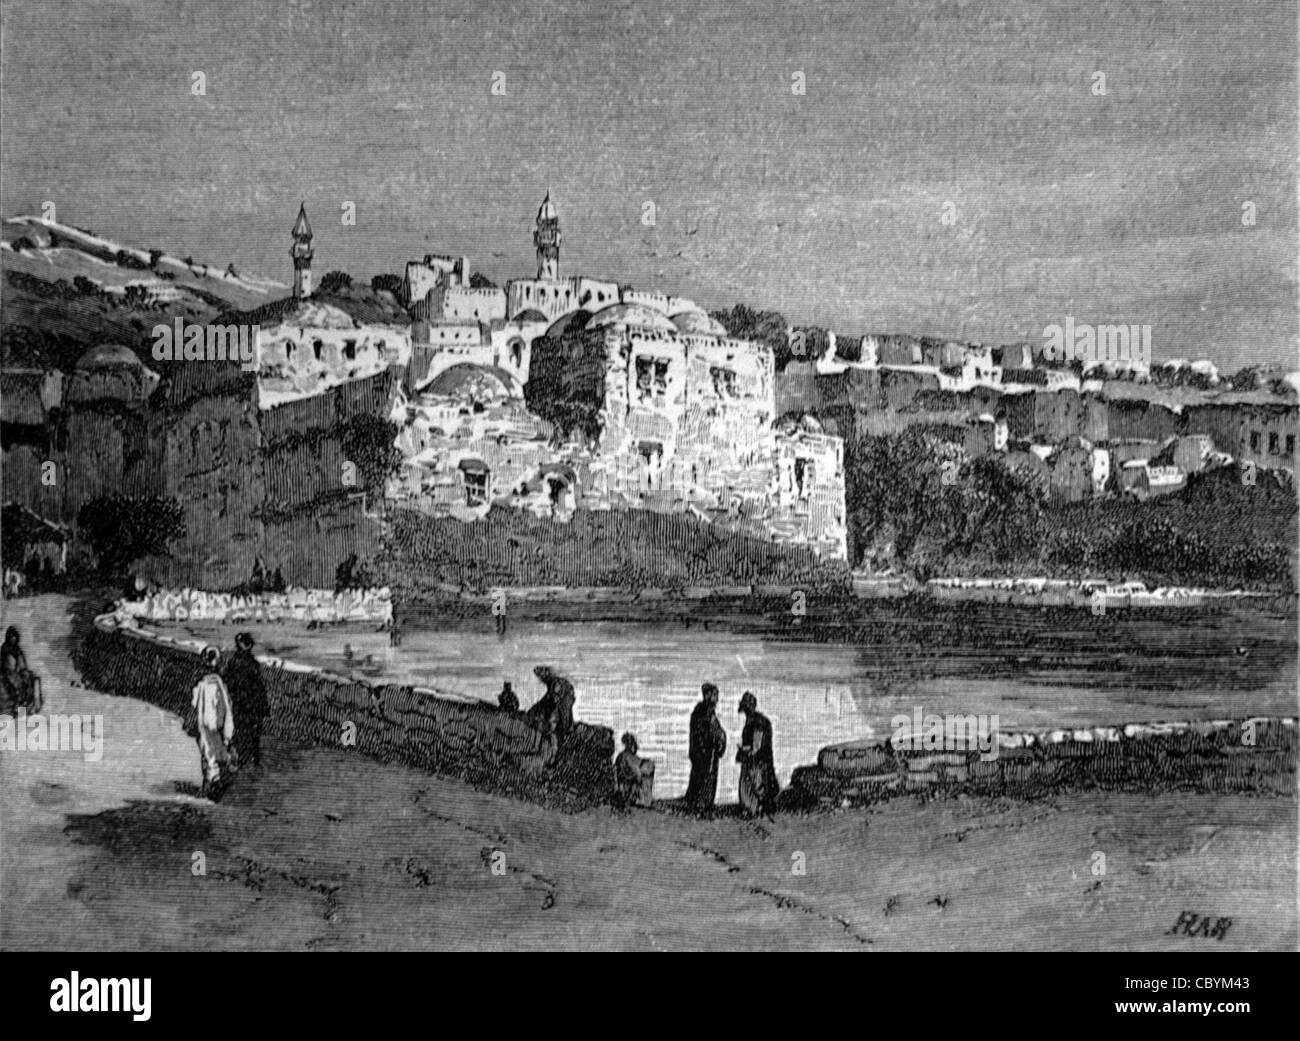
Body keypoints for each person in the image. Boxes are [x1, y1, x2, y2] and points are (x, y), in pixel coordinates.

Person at [190, 646, 236, 800]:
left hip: (204, 722)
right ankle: (213, 785)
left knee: (208, 754)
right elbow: (226, 706)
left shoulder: (201, 681)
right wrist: (228, 730)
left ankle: (211, 785)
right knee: (217, 753)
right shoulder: (220, 682)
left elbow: (194, 702)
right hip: (218, 723)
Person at [223, 632, 269, 769]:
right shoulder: (252, 663)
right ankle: (253, 758)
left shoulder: (234, 662)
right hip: (251, 702)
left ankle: (240, 758)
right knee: (252, 732)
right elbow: (258, 686)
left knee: (240, 730)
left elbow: (228, 681)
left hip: (240, 702)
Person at [685, 683, 727, 813]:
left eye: (716, 695)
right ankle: (698, 804)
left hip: (710, 752)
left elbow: (716, 728)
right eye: (714, 695)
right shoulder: (700, 711)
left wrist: (721, 737)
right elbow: (702, 732)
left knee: (709, 778)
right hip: (702, 752)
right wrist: (715, 736)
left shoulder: (709, 711)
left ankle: (705, 803)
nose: (717, 699)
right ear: (707, 695)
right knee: (702, 777)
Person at [737, 691, 779, 818]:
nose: (744, 712)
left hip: (759, 760)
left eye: (746, 708)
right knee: (748, 783)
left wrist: (747, 752)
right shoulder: (752, 720)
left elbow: (757, 744)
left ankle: (757, 808)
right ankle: (751, 808)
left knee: (757, 784)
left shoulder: (759, 722)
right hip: (754, 758)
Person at [525, 665, 575, 739]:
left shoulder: (555, 682)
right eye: (539, 676)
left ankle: (564, 734)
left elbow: (553, 697)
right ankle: (566, 731)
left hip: (565, 699)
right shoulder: (552, 682)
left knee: (563, 715)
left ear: (547, 674)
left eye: (541, 676)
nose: (540, 679)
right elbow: (549, 696)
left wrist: (539, 706)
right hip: (566, 697)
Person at [0, 626, 38, 715]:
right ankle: (18, 706)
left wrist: (23, 669)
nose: (14, 639)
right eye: (12, 637)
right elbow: (7, 662)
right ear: (8, 637)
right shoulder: (5, 648)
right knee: (18, 684)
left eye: (15, 637)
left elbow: (21, 662)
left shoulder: (17, 649)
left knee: (27, 680)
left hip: (16, 670)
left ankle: (24, 706)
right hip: (7, 671)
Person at [613, 732, 655, 809]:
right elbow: (635, 769)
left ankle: (642, 799)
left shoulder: (624, 755)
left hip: (627, 777)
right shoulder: (626, 756)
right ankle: (642, 800)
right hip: (628, 778)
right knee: (647, 771)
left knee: (648, 768)